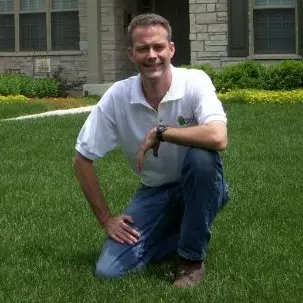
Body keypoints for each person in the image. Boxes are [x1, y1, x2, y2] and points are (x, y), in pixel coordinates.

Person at [73, 13, 229, 288]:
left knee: (201, 158)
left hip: (200, 182)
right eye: (143, 48)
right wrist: (106, 219)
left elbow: (218, 137)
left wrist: (161, 133)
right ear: (131, 54)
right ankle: (187, 231)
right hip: (154, 191)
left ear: (171, 49)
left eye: (158, 47)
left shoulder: (194, 82)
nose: (152, 55)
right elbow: (82, 159)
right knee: (108, 270)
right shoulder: (118, 96)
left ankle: (191, 259)